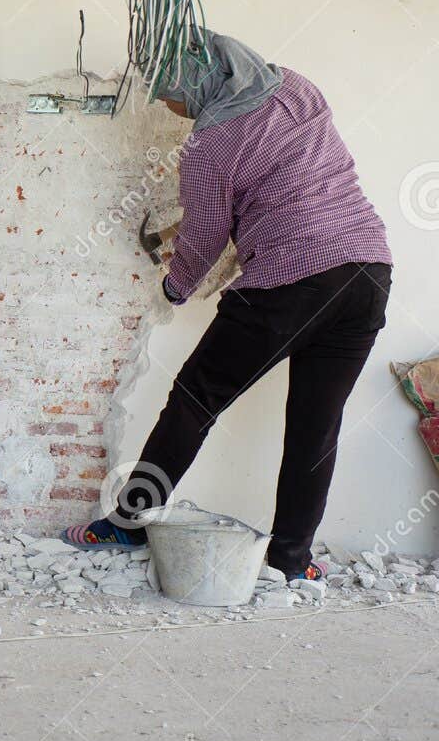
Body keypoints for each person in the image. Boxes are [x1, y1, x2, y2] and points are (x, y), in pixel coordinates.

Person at [62, 34, 393, 582]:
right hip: (368, 272)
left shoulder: (210, 142)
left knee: (195, 399)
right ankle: (291, 560)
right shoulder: (296, 86)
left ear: (195, 83)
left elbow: (205, 237)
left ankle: (128, 523)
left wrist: (174, 287)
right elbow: (283, 176)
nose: (169, 106)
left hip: (291, 278)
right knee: (316, 427)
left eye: (168, 95)